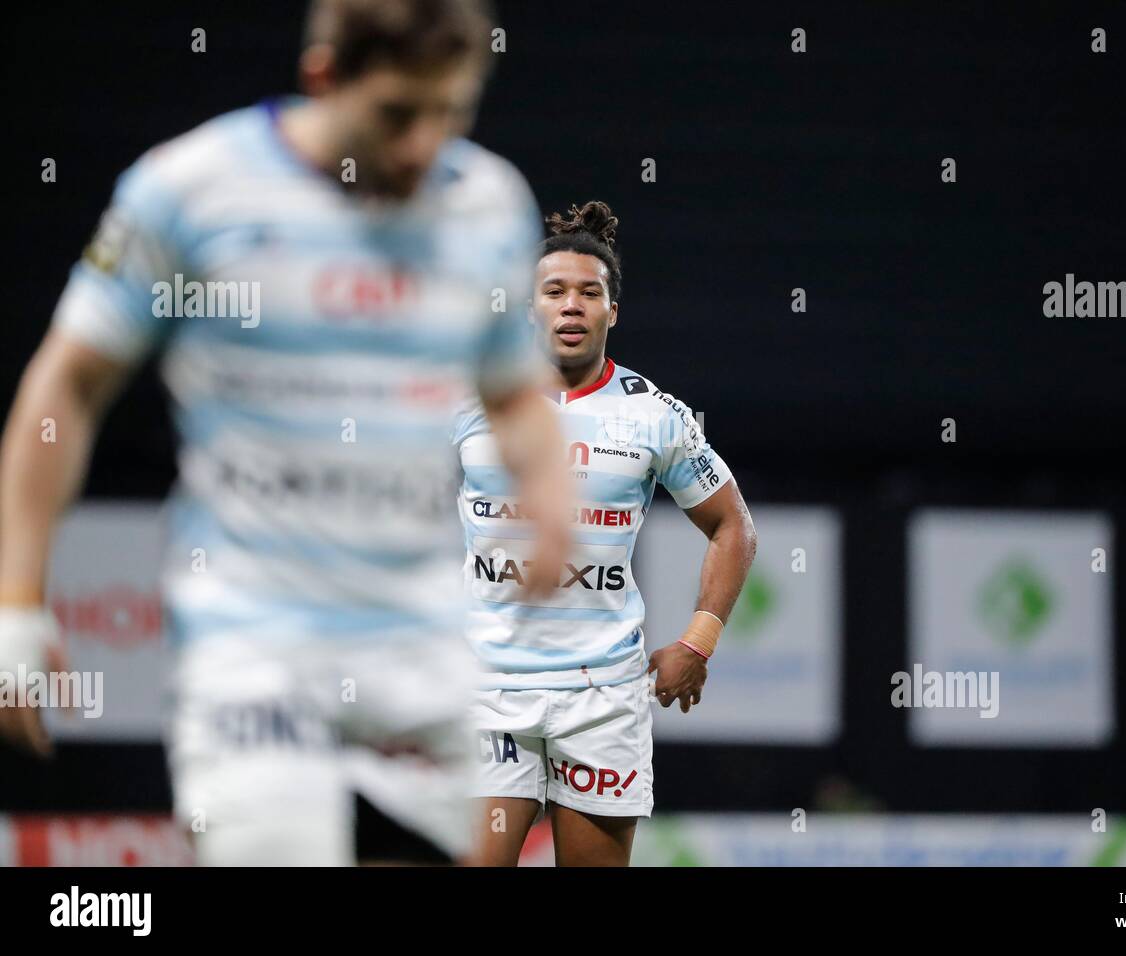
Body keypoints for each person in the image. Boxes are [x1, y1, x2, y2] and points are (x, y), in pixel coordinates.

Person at [0, 0, 572, 866]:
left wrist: (552, 504)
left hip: (429, 649)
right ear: (323, 78)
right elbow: (68, 386)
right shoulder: (191, 189)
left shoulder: (490, 204)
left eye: (451, 112)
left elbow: (518, 398)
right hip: (252, 646)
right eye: (396, 114)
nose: (425, 145)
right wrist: (15, 605)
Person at [455, 201, 758, 866]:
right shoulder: (469, 400)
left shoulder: (655, 415)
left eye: (589, 293)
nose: (571, 306)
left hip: (602, 698)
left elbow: (733, 527)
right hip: (486, 688)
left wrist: (698, 641)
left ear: (612, 311)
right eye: (553, 291)